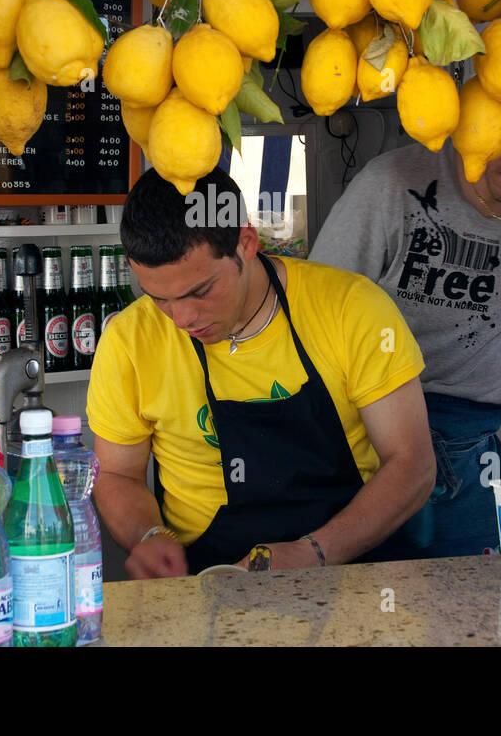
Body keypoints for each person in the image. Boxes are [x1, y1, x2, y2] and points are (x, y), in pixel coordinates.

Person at [87, 167, 435, 578]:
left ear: (246, 244)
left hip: (349, 568)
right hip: (207, 578)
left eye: (200, 292)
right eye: (159, 298)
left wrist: (314, 554)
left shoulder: (352, 309)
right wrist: (148, 535)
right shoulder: (129, 340)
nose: (181, 318)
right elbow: (116, 473)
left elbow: (411, 464)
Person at [309, 94, 501, 559]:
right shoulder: (392, 183)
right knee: (357, 610)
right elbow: (315, 319)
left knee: (470, 611)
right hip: (361, 430)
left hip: (472, 446)